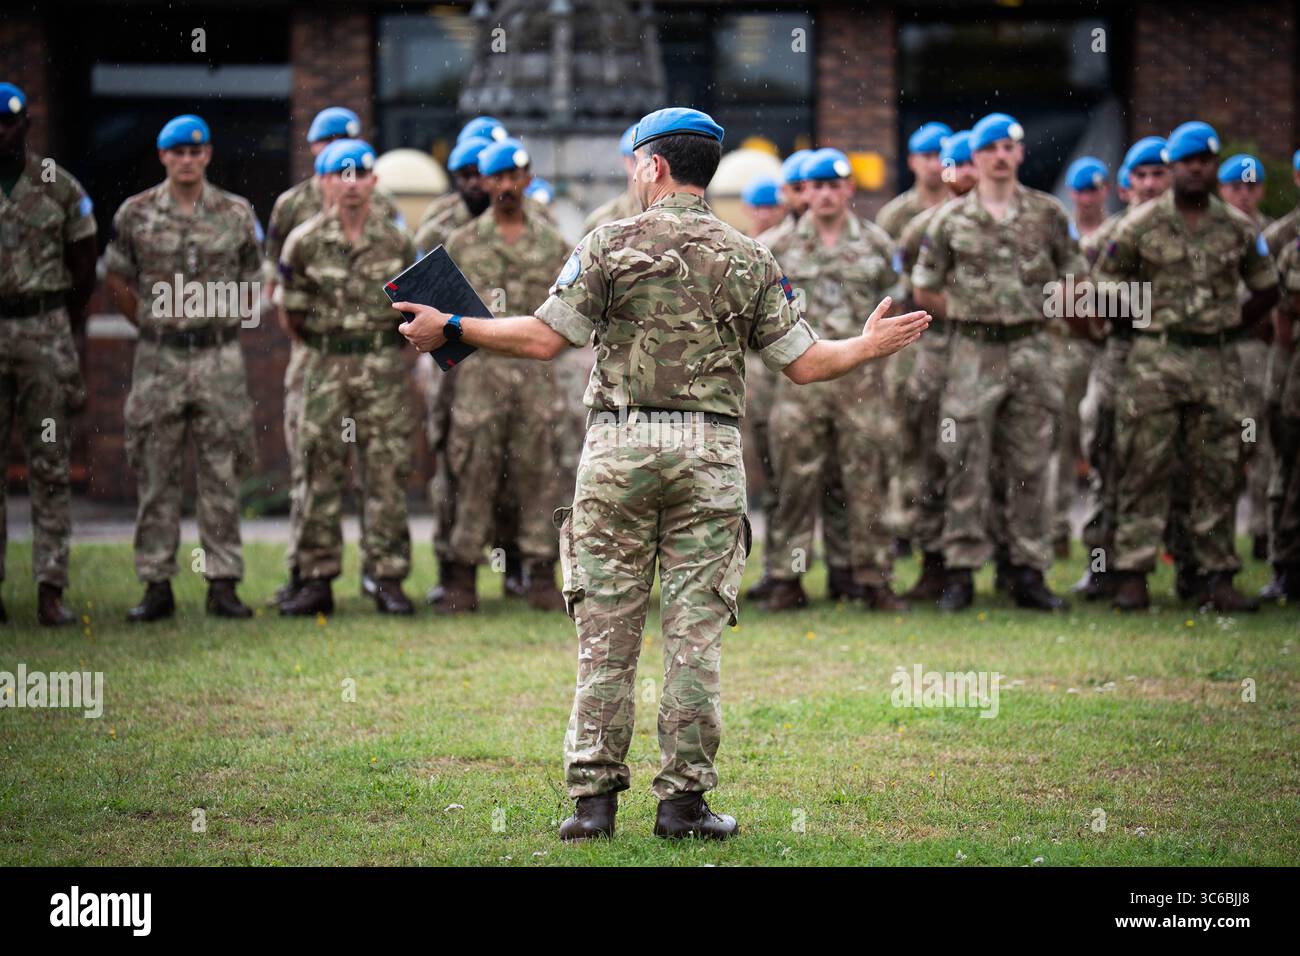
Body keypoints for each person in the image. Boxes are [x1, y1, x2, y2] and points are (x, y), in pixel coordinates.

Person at [391, 107, 929, 841]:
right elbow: (804, 363)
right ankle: (683, 805)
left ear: (651, 166)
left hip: (621, 448)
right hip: (709, 455)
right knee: (693, 636)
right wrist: (866, 347)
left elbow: (547, 339)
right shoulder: (751, 254)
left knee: (606, 632)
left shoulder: (609, 242)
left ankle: (593, 806)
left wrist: (452, 327)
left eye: (631, 164)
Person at [1099, 121, 1278, 611]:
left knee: (1217, 468)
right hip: (1154, 360)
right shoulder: (1139, 226)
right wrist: (1145, 320)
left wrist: (1228, 324)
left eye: (1203, 161)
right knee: (1144, 464)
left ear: (1213, 167)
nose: (1195, 168)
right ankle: (1133, 572)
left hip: (1217, 360)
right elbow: (1105, 282)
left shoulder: (1239, 229)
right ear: (1175, 167)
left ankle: (1214, 574)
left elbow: (1267, 286)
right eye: (1186, 162)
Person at [913, 112, 1084, 612]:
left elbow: (1075, 273)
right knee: (965, 457)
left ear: (1021, 154)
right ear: (978, 157)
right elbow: (925, 286)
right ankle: (961, 570)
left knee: (1031, 460)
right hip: (973, 352)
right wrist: (970, 315)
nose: (1002, 156)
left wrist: (1041, 310)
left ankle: (1026, 569)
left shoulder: (1048, 213)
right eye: (992, 149)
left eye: (1011, 147)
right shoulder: (950, 220)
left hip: (1032, 349)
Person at [104, 114, 260, 622]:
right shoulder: (136, 213)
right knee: (157, 469)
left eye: (197, 151)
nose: (188, 159)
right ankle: (155, 583)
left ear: (209, 155)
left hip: (218, 355)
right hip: (160, 357)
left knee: (221, 469)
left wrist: (220, 317)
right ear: (163, 155)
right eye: (178, 151)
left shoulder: (236, 214)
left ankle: (223, 582)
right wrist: (153, 323)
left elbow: (255, 280)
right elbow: (118, 280)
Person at [263, 106, 404, 608]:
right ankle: (316, 577)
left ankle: (386, 577)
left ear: (373, 180)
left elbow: (413, 304)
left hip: (380, 366)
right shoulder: (302, 237)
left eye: (360, 175)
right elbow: (290, 310)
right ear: (323, 180)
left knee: (385, 470)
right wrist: (327, 345)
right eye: (340, 175)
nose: (350, 185)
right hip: (320, 364)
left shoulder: (395, 236)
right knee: (317, 466)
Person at [762, 148, 907, 611]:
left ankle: (870, 578)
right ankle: (789, 578)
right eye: (816, 186)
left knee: (865, 481)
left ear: (848, 189)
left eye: (834, 185)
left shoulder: (878, 245)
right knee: (795, 484)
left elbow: (896, 309)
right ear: (805, 192)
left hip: (862, 384)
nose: (825, 194)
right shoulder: (777, 248)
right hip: (799, 382)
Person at [432, 138, 569, 613]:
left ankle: (541, 574)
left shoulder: (553, 243)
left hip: (535, 372)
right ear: (485, 183)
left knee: (540, 472)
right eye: (498, 178)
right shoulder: (463, 244)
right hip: (479, 374)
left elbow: (568, 311)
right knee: (474, 469)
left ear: (527, 179)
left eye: (515, 177)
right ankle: (463, 578)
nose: (507, 186)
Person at [0, 82, 96, 626]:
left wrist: (61, 322)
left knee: (50, 464)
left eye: (7, 122)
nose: (0, 132)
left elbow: (84, 265)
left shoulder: (56, 186)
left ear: (25, 125)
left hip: (42, 331)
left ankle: (50, 587)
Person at [1073, 137, 1170, 601]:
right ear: (1127, 184)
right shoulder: (1106, 239)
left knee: (1165, 462)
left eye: (1158, 174)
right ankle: (1101, 564)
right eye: (1142, 175)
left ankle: (1191, 567)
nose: (1150, 184)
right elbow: (1079, 302)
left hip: (1179, 357)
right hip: (1121, 355)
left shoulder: (1192, 229)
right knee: (1105, 451)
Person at [897, 129, 978, 601]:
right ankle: (932, 561)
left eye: (970, 163)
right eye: (955, 164)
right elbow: (904, 284)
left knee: (977, 458)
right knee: (929, 454)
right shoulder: (918, 224)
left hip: (986, 358)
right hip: (934, 353)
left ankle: (995, 563)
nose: (962, 173)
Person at [1049, 156, 1111, 560]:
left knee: (1103, 439)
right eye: (1081, 189)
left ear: (1106, 190)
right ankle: (1056, 531)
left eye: (1094, 188)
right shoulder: (1061, 233)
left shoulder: (1117, 233)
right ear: (1072, 193)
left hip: (1105, 348)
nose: (1087, 197)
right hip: (1063, 349)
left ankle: (1103, 536)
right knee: (1061, 442)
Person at [1218, 153, 1275, 562]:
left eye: (1251, 186)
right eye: (1236, 186)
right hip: (1220, 352)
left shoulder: (1273, 235)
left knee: (1258, 442)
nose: (1244, 194)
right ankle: (1215, 540)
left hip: (1258, 354)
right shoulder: (1214, 231)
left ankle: (1259, 530)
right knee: (1223, 445)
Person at [1259, 149, 1300, 600]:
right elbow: (1275, 312)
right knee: (1286, 461)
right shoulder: (1282, 241)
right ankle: (1286, 564)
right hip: (1291, 368)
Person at [876, 122, 952, 240]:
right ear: (912, 161)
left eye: (941, 156)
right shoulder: (894, 215)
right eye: (927, 156)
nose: (935, 165)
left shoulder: (966, 209)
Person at [582, 124, 641, 231]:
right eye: (636, 159)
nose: (645, 166)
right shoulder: (604, 219)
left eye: (650, 158)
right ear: (626, 161)